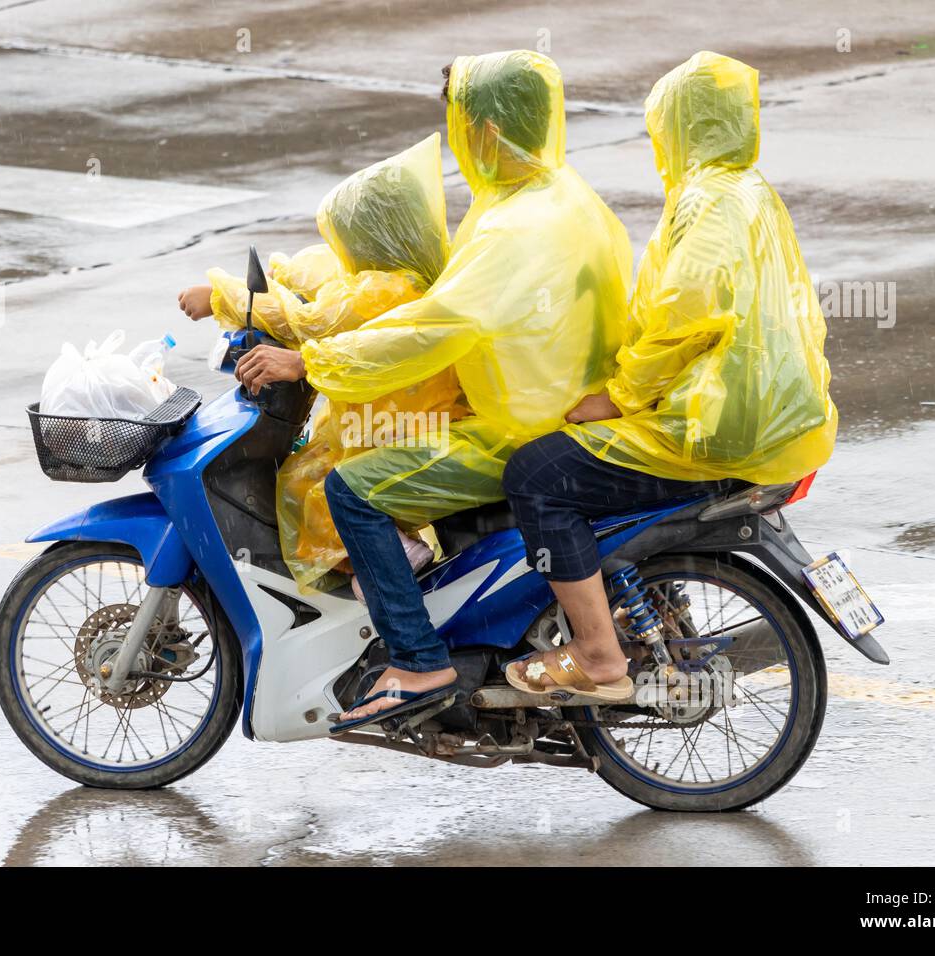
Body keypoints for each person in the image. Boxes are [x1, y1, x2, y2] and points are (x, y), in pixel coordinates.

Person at [234, 51, 634, 727]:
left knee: (353, 488)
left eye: (461, 122)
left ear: (490, 129)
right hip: (558, 408)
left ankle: (419, 660)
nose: (455, 138)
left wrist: (312, 362)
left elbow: (431, 327)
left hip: (518, 429)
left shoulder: (514, 225)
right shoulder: (560, 196)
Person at [502, 51, 838, 698]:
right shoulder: (750, 191)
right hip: (784, 419)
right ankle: (654, 610)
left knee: (536, 476)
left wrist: (619, 395)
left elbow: (683, 313)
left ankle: (598, 653)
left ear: (682, 128)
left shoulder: (708, 203)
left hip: (719, 426)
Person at [179, 134, 469, 593]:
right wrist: (283, 273)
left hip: (392, 431)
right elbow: (322, 272)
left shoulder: (383, 292)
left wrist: (220, 296)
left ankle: (387, 557)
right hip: (397, 420)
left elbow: (307, 321)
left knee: (306, 490)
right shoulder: (409, 277)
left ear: (369, 238)